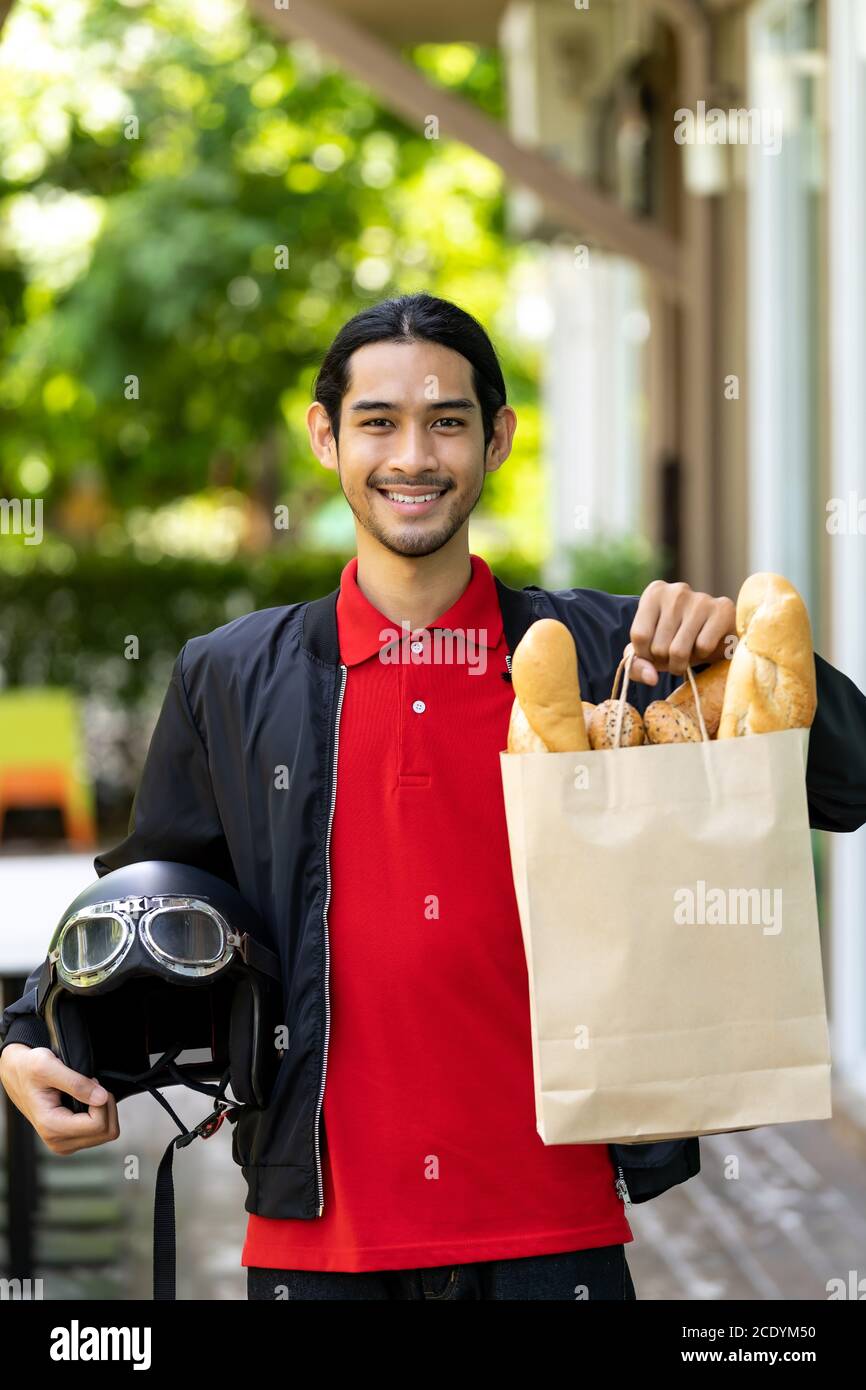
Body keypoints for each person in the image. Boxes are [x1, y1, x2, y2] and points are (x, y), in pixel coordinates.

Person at [3, 293, 865, 1302]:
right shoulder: (229, 677)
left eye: (446, 421)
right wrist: (33, 1036)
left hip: (557, 1230)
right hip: (317, 1240)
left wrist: (733, 646)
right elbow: (158, 896)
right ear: (326, 435)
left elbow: (844, 783)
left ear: (495, 438)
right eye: (378, 421)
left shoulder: (609, 653)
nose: (412, 454)